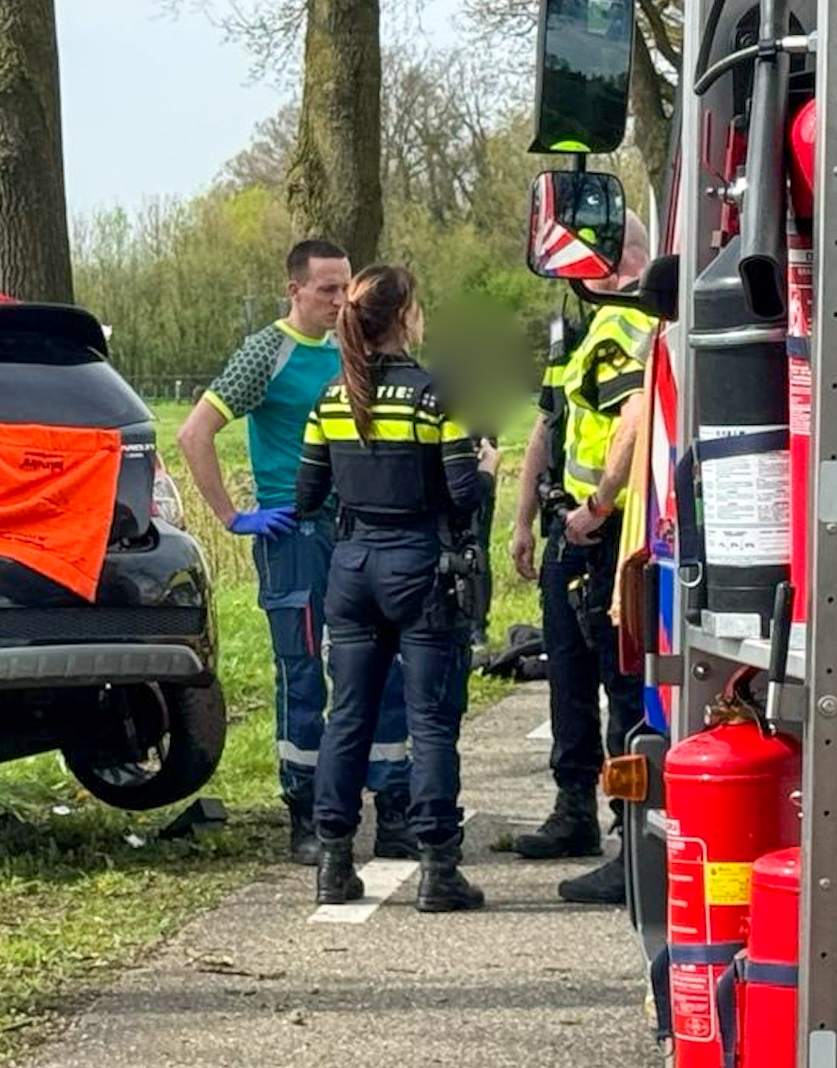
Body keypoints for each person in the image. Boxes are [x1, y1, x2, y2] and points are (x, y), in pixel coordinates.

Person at [177, 239, 417, 866]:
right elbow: (194, 431)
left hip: (363, 529)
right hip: (297, 535)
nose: (340, 301)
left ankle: (393, 805)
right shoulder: (268, 351)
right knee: (304, 670)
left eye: (347, 290)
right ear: (295, 292)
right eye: (328, 291)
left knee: (382, 667)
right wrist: (234, 516)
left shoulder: (357, 347)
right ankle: (304, 812)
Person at [295, 264, 500, 912]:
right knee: (431, 722)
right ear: (405, 316)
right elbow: (464, 496)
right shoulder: (437, 394)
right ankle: (440, 869)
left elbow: (307, 496)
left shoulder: (331, 398)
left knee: (347, 716)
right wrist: (487, 468)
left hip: (352, 569)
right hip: (421, 565)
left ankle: (334, 862)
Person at [506, 210, 657, 905]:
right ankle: (574, 812)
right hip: (570, 526)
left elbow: (631, 417)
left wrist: (599, 504)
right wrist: (523, 520)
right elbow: (547, 423)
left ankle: (633, 843)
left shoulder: (628, 324)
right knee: (566, 675)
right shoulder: (581, 327)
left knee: (621, 687)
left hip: (611, 532)